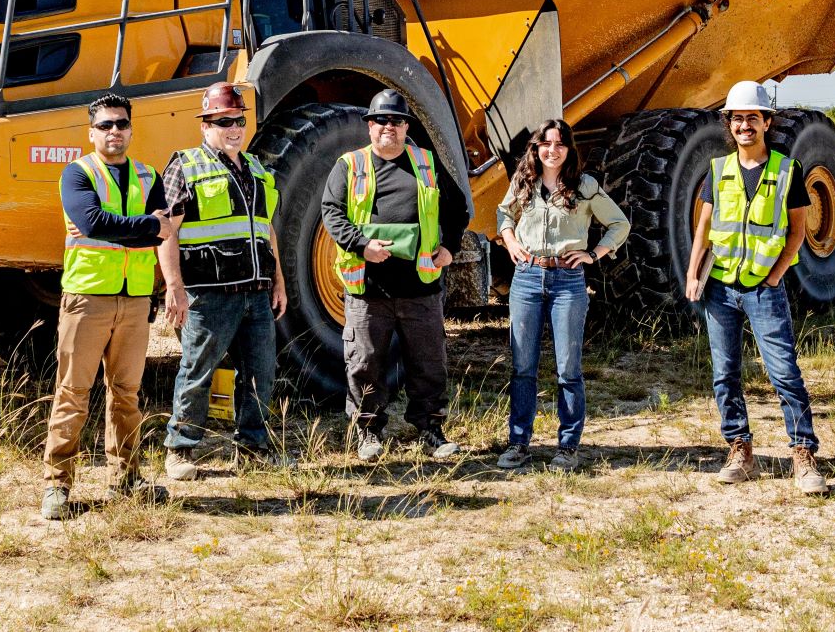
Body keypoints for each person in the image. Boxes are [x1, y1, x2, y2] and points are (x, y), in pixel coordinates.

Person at [683, 80, 829, 496]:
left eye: (752, 118)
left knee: (784, 373)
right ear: (729, 124)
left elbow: (797, 231)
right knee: (725, 373)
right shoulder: (718, 170)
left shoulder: (787, 171)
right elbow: (704, 228)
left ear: (767, 122)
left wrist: (776, 274)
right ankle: (740, 450)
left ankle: (803, 454)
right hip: (720, 288)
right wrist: (693, 273)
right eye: (737, 118)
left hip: (764, 288)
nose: (744, 125)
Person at [320, 88, 469, 462]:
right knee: (365, 364)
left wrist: (449, 248)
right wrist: (362, 245)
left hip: (420, 288)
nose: (389, 126)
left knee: (429, 363)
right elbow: (331, 212)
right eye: (382, 120)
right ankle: (368, 433)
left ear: (406, 127)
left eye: (397, 121)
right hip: (368, 289)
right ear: (369, 126)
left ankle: (431, 430)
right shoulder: (350, 165)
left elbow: (458, 209)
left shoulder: (426, 163)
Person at [40, 93, 170, 520]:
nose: (115, 131)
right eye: (105, 125)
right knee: (73, 392)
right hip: (87, 298)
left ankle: (126, 478)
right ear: (91, 132)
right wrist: (146, 225)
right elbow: (92, 222)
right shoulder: (77, 174)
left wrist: (135, 229)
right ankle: (57, 484)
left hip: (134, 299)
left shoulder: (148, 175)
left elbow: (162, 232)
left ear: (131, 129)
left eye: (121, 124)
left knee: (127, 395)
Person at [157, 82, 286, 481]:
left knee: (260, 374)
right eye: (224, 121)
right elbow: (166, 232)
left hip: (257, 293)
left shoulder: (257, 169)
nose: (234, 128)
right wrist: (174, 287)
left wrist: (279, 280)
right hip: (209, 296)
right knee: (197, 372)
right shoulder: (186, 166)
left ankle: (252, 447)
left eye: (239, 121)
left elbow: (266, 230)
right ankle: (180, 449)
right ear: (206, 125)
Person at [493, 119, 629, 471]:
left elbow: (620, 223)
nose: (552, 150)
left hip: (567, 281)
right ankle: (518, 443)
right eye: (546, 143)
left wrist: (594, 254)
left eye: (560, 144)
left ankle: (567, 447)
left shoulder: (584, 186)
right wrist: (510, 241)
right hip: (526, 278)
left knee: (568, 369)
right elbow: (503, 213)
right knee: (523, 367)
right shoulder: (523, 182)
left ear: (569, 149)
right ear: (536, 148)